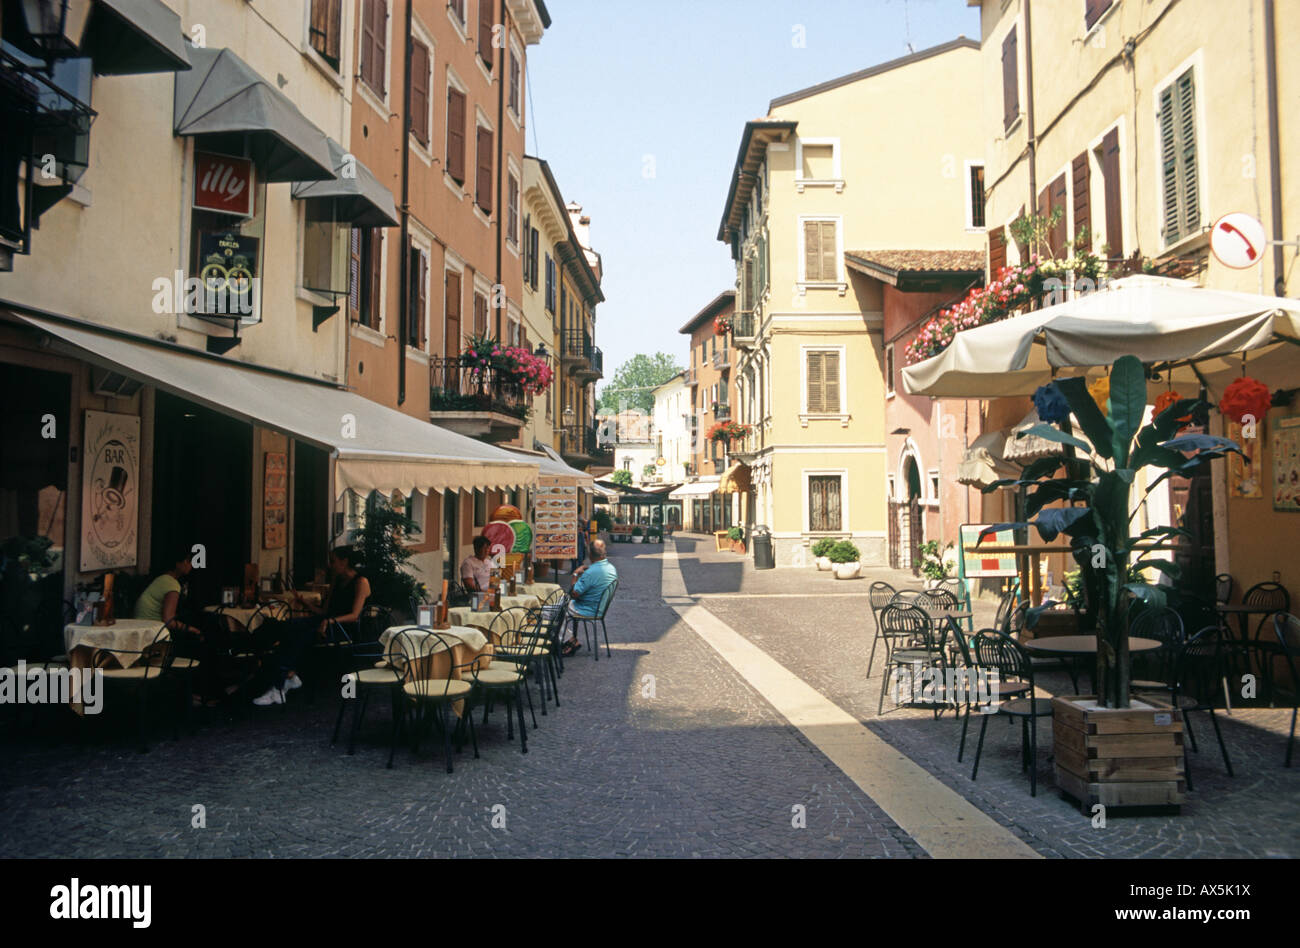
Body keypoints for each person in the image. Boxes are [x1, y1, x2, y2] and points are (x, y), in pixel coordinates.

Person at [252, 546, 370, 706]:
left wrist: (330, 622)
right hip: (325, 622)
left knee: (298, 634)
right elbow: (324, 611)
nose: (330, 565)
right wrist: (303, 602)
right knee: (282, 626)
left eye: (333, 561)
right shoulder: (336, 581)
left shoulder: (361, 582)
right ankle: (285, 675)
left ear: (344, 562)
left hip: (343, 629)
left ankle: (279, 685)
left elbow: (354, 615)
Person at [561, 537, 616, 656]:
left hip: (586, 608)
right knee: (559, 605)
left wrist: (575, 574)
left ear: (590, 554)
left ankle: (569, 641)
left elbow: (574, 593)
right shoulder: (611, 568)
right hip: (599, 608)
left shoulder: (591, 572)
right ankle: (569, 640)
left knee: (554, 610)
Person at [134, 546, 204, 639]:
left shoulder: (162, 578)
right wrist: (192, 629)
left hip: (140, 629)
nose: (190, 565)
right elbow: (168, 621)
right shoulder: (172, 584)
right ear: (177, 564)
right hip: (151, 634)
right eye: (187, 561)